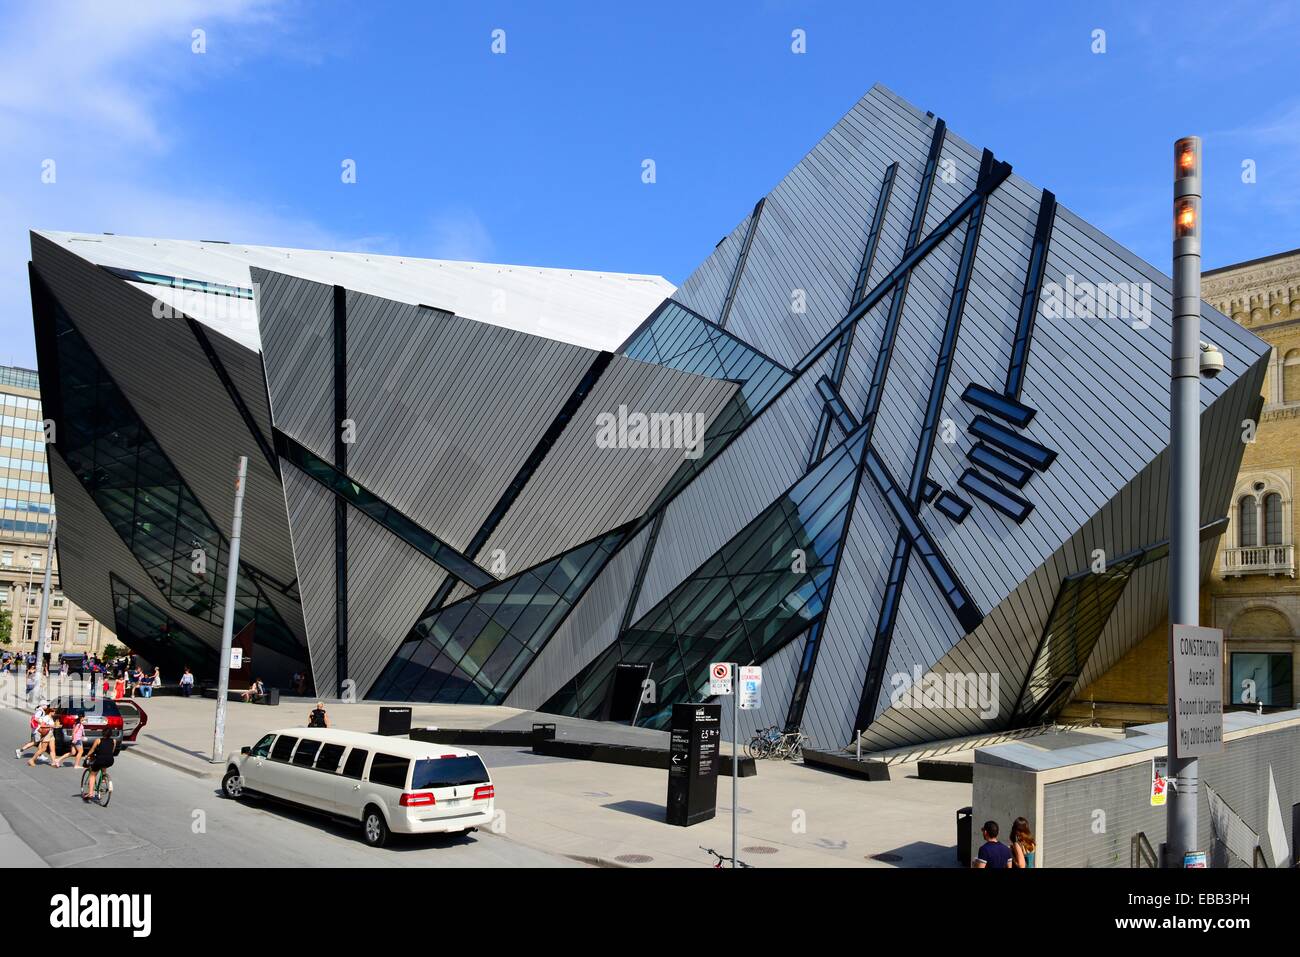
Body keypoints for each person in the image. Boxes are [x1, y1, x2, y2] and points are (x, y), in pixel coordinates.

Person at [81, 735, 115, 800]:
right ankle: (103, 779)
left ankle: (90, 793)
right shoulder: (114, 741)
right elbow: (112, 751)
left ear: (103, 733)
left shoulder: (98, 740)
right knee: (104, 765)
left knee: (93, 775)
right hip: (110, 760)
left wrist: (86, 756)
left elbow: (92, 750)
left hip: (100, 760)